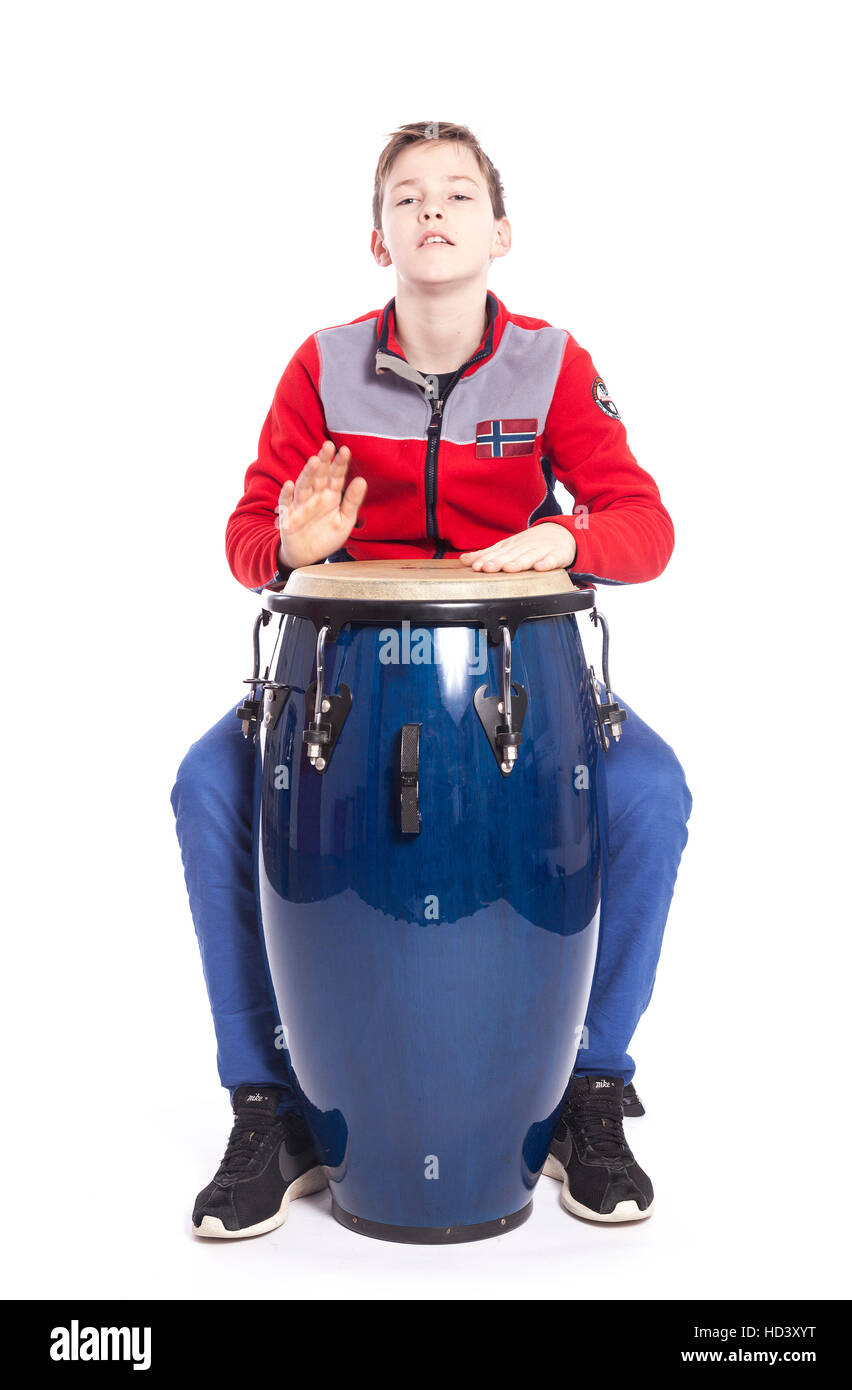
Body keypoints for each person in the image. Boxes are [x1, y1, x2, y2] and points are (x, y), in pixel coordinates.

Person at [171, 120, 693, 1238]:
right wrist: (294, 542)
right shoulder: (319, 365)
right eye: (406, 198)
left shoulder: (553, 364)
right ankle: (268, 1100)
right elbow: (245, 539)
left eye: (457, 194)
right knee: (207, 787)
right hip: (338, 676)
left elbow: (646, 528)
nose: (432, 211)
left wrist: (569, 538)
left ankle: (587, 1087)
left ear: (499, 231)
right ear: (377, 240)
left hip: (519, 672)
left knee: (650, 790)